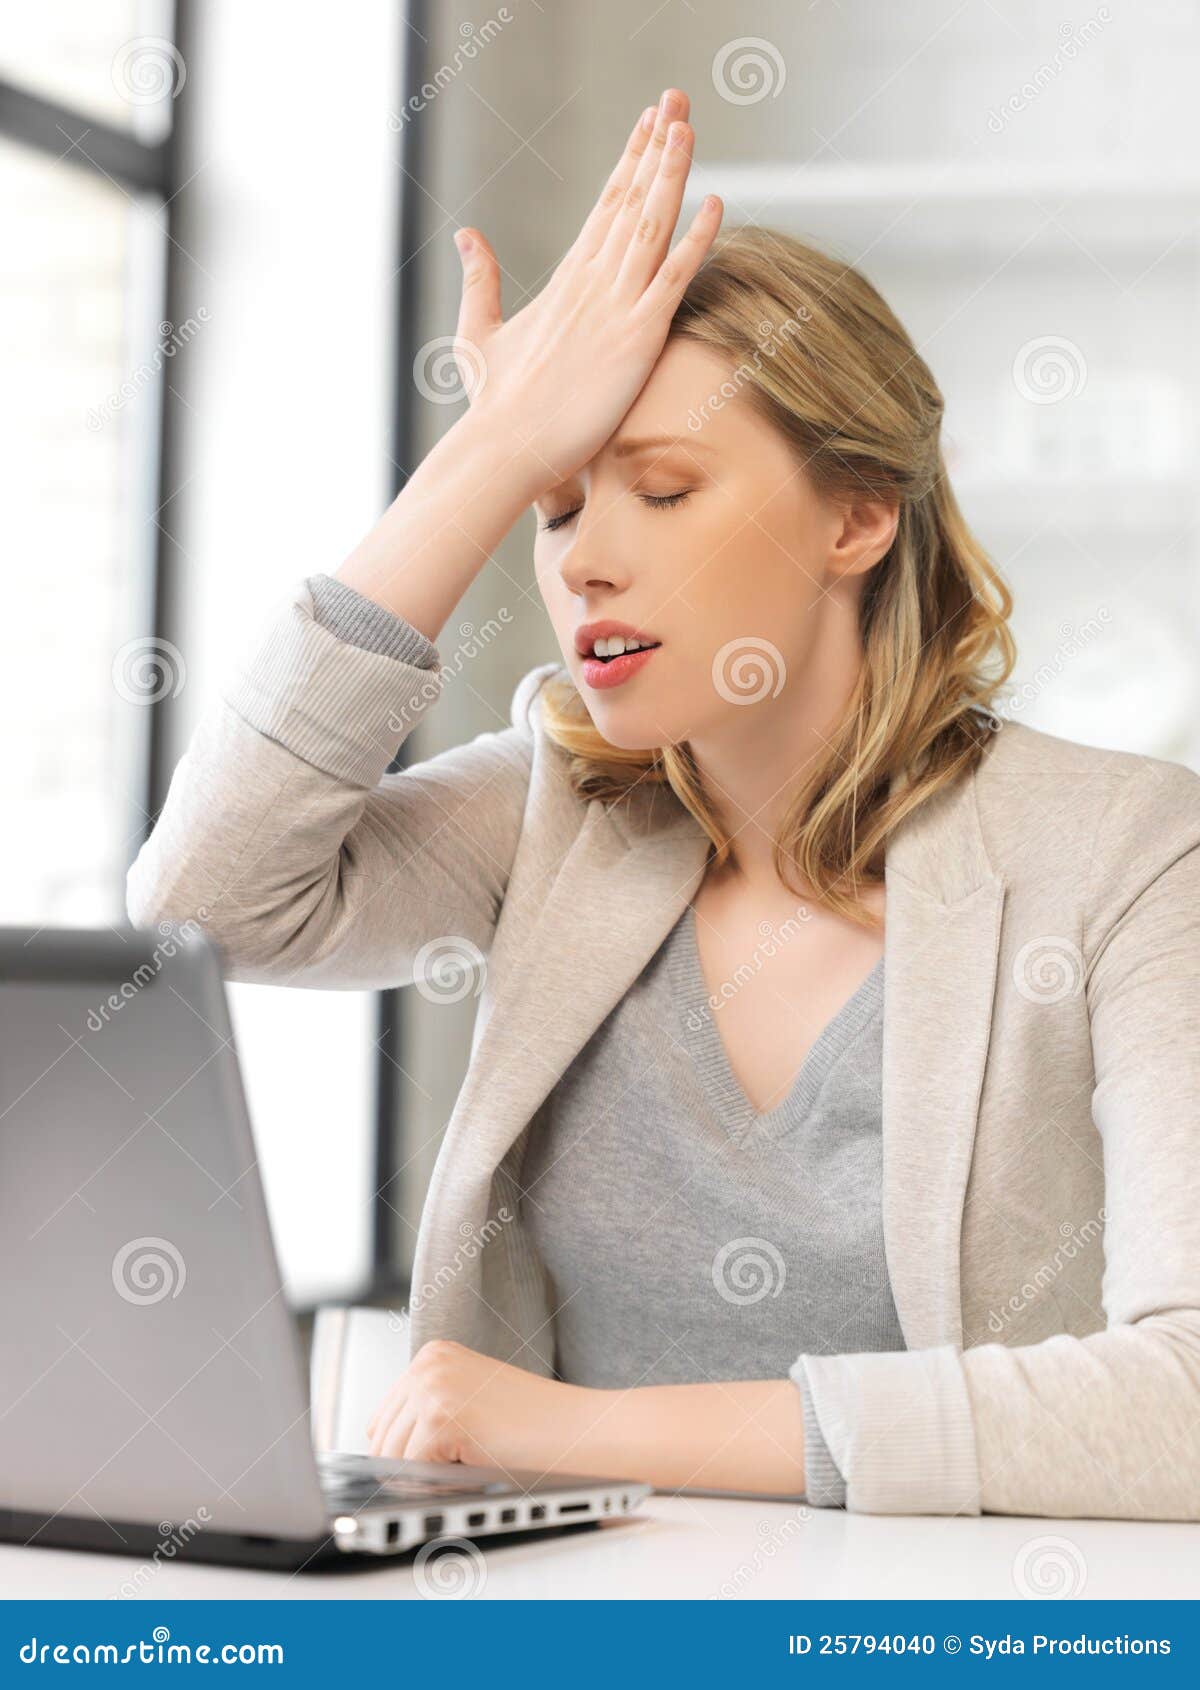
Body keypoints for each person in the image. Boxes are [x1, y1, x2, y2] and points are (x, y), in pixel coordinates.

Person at [128, 88, 1200, 1518]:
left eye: (667, 490)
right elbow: (207, 905)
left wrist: (584, 1429)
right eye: (560, 506)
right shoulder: (553, 813)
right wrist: (487, 454)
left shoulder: (1128, 853)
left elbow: (1186, 1403)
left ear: (858, 516)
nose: (583, 563)